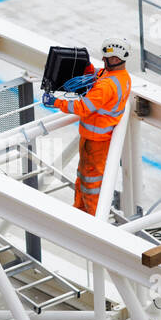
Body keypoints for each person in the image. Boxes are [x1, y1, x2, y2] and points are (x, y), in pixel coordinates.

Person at [43, 37, 133, 216]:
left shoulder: (106, 86)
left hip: (96, 141)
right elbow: (100, 75)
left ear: (114, 59)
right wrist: (88, 69)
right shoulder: (120, 77)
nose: (104, 61)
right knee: (83, 177)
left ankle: (93, 218)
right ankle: (79, 210)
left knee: (91, 183)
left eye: (107, 58)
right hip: (94, 138)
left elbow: (83, 108)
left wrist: (56, 102)